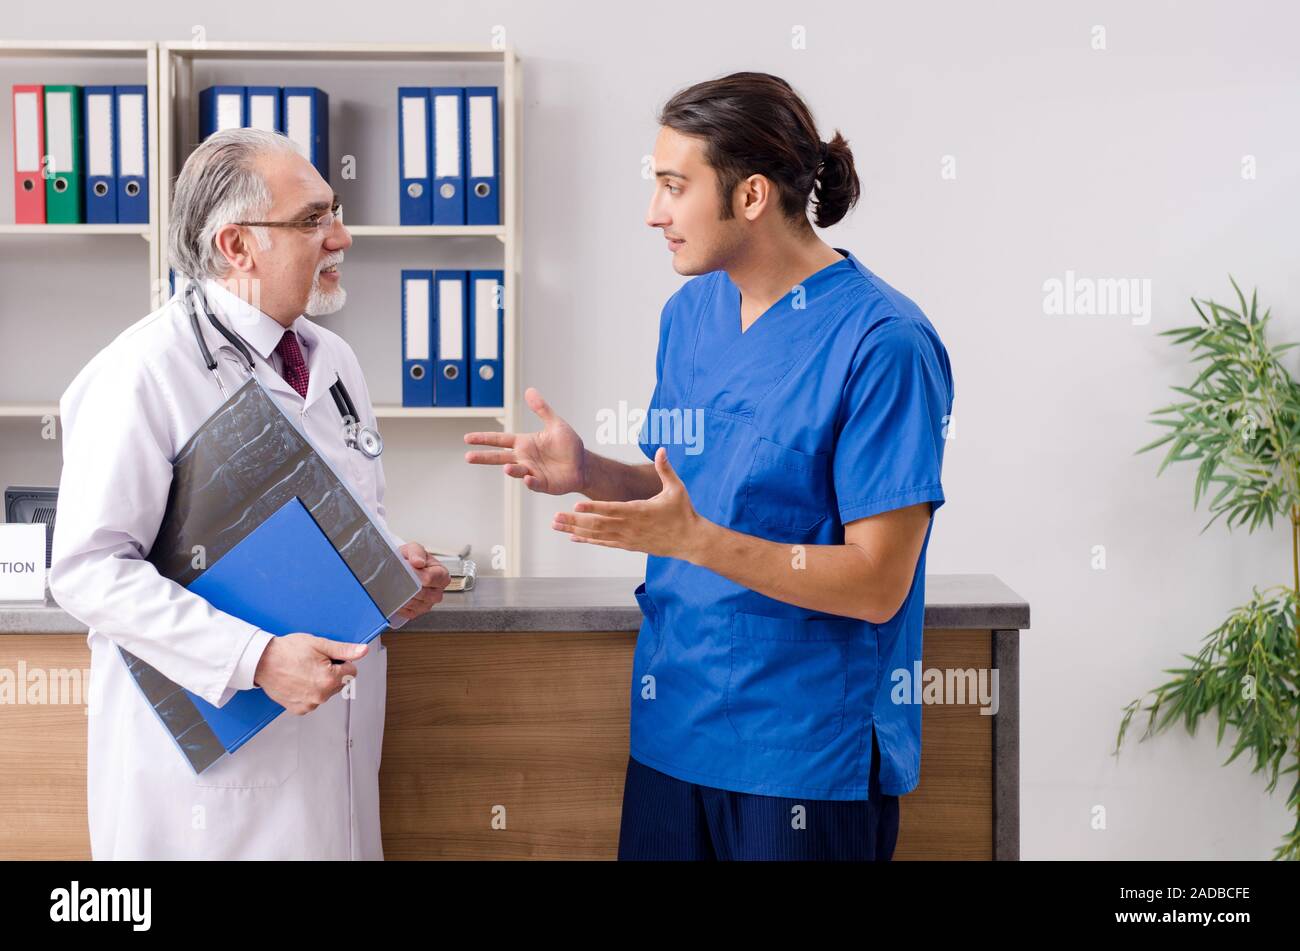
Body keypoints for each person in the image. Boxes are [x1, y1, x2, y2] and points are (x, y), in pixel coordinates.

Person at [466, 72, 953, 860]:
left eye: (673, 185)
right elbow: (686, 497)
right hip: (674, 727)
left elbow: (876, 582)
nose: (653, 212)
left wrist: (696, 542)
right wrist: (590, 468)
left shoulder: (883, 343)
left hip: (800, 758)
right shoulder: (690, 314)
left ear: (751, 195)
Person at [49, 128, 449, 860]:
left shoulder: (334, 360)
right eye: (312, 220)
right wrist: (255, 657)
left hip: (330, 746)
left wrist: (391, 571)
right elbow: (87, 568)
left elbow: (337, 523)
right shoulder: (142, 371)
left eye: (335, 211)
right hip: (205, 776)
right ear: (237, 246)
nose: (342, 237)